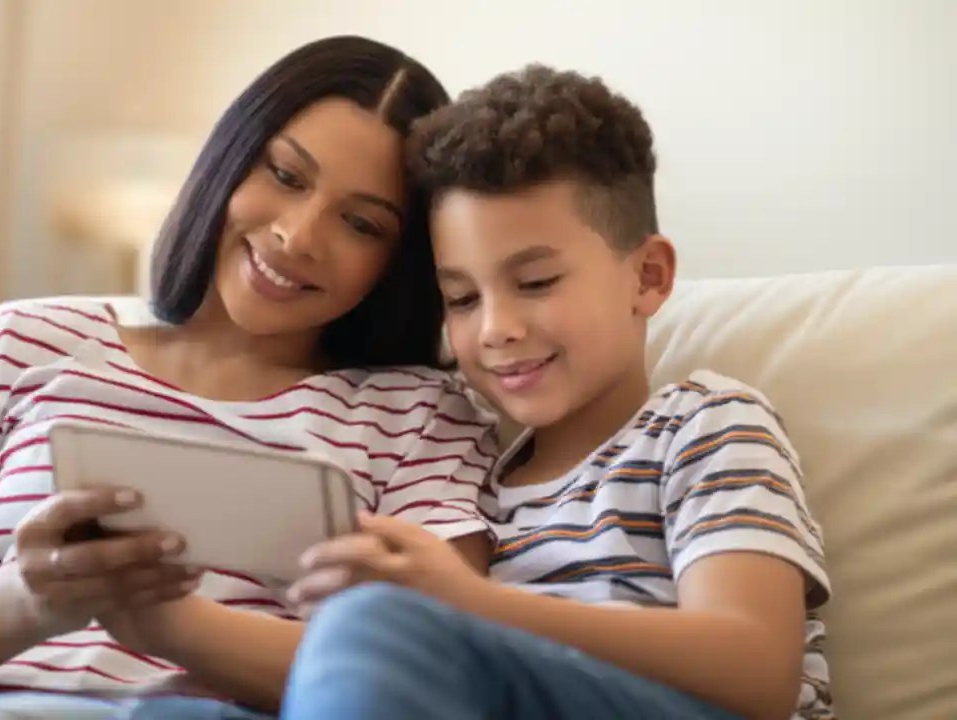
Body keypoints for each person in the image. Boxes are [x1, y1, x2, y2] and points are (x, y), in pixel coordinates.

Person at [0, 36, 499, 719]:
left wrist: (169, 623)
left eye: (361, 222)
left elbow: (422, 675)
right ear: (231, 160)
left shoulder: (420, 414)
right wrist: (29, 600)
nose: (296, 235)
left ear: (398, 262)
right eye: (284, 175)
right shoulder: (16, 344)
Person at [283, 64, 833, 720]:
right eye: (460, 298)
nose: (496, 330)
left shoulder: (707, 423)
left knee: (375, 626)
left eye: (537, 281)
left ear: (648, 277)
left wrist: (464, 602)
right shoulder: (478, 489)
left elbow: (755, 670)